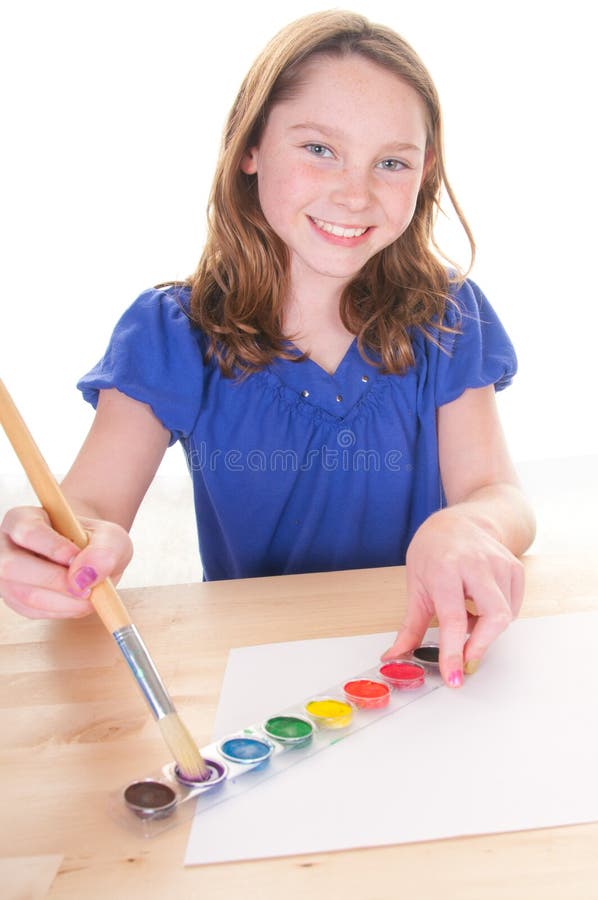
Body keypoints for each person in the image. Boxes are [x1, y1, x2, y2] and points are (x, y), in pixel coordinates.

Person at [0, 10, 535, 688]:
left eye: (391, 162)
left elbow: (499, 494)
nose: (355, 192)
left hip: (423, 662)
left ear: (424, 173)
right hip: (254, 677)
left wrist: (469, 525)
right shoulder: (172, 331)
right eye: (319, 149)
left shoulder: (448, 316)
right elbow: (91, 509)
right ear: (251, 148)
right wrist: (58, 546)